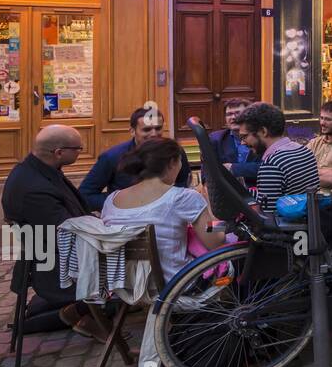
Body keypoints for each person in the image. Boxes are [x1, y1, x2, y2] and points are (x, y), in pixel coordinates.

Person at [1, 125, 102, 337]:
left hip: (56, 252)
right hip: (56, 264)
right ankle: (55, 318)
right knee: (129, 281)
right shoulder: (35, 187)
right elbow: (66, 234)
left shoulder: (36, 170)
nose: (80, 152)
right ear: (59, 153)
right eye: (78, 149)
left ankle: (50, 309)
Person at [101, 138, 224, 280]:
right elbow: (216, 242)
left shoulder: (112, 200)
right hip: (176, 283)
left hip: (123, 284)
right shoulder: (182, 197)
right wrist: (214, 214)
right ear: (172, 163)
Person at [77, 106, 192, 210]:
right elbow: (85, 195)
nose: (154, 134)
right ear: (132, 131)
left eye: (158, 128)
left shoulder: (175, 152)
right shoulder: (111, 157)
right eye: (147, 129)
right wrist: (121, 201)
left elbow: (183, 183)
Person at [235, 103, 321, 214]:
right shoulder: (304, 151)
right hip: (308, 220)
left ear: (263, 131)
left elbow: (268, 215)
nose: (242, 142)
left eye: (244, 136)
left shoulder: (272, 163)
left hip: (286, 224)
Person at [211, 98, 258, 186]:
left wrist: (233, 168)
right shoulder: (216, 139)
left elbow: (265, 167)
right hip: (228, 189)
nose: (233, 117)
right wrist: (206, 183)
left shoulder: (260, 137)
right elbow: (208, 166)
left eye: (238, 113)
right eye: (229, 114)